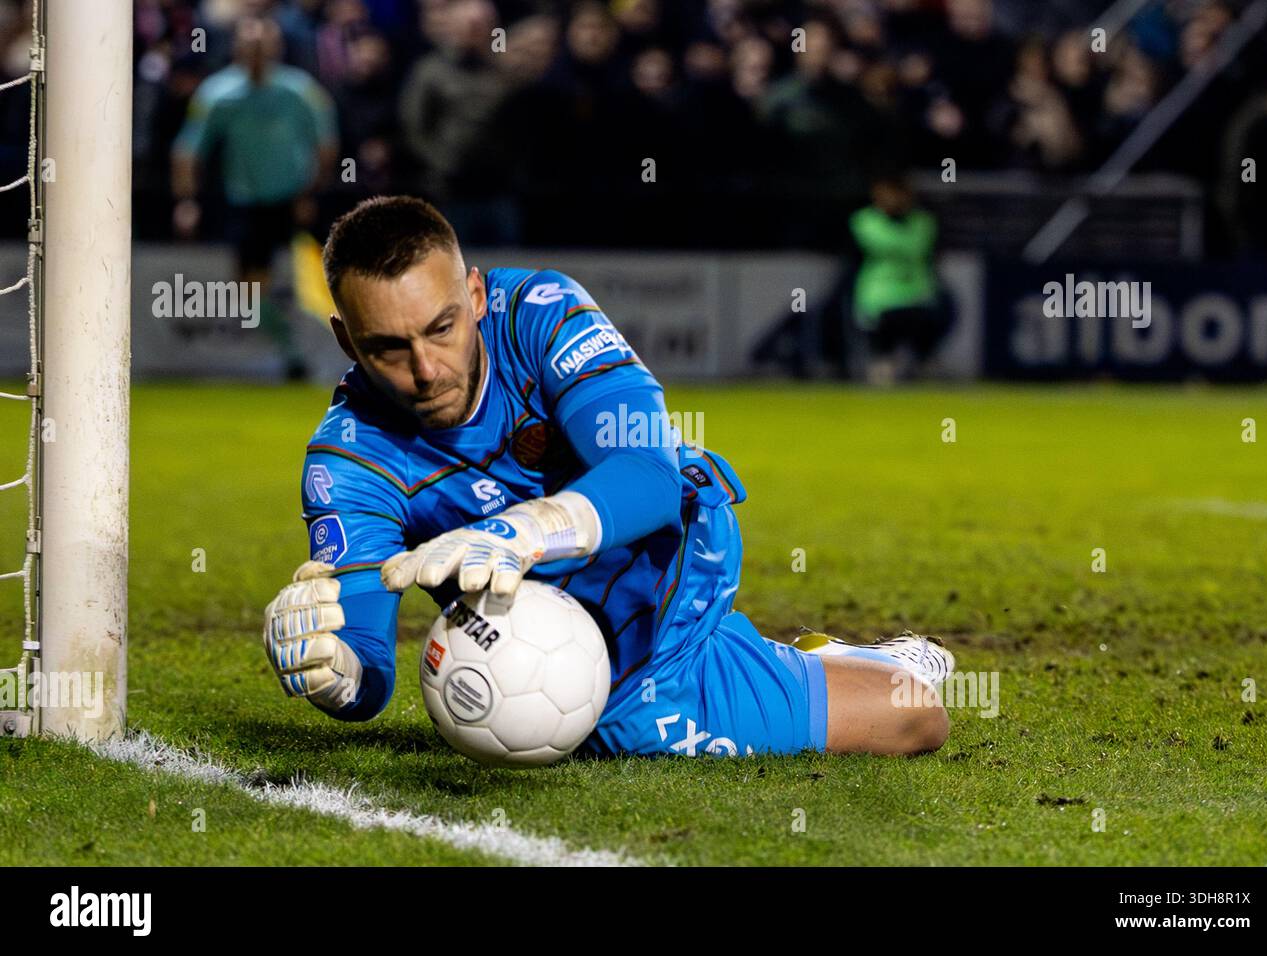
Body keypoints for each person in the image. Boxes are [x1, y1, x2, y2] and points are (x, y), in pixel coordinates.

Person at [261, 196, 953, 758]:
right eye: (388, 347)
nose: (426, 368)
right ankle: (792, 659)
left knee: (913, 714)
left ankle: (836, 657)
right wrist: (334, 673)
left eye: (441, 328)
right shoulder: (349, 461)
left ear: (474, 295)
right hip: (519, 654)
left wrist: (526, 531)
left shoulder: (542, 315)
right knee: (604, 737)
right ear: (347, 341)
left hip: (664, 601)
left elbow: (649, 475)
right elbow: (369, 664)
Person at [172, 15, 339, 379]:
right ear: (237, 48)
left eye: (264, 45)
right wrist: (187, 200)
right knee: (251, 288)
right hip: (246, 202)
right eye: (251, 45)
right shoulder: (218, 93)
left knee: (315, 279)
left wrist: (313, 190)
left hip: (295, 200)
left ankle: (337, 353)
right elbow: (188, 150)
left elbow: (326, 143)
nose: (258, 52)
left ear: (278, 48)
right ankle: (291, 352)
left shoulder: (300, 90)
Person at [849, 174, 948, 385]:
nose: (893, 198)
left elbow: (926, 250)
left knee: (926, 356)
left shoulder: (923, 222)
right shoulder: (865, 221)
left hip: (918, 295)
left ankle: (926, 377)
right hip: (880, 297)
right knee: (883, 356)